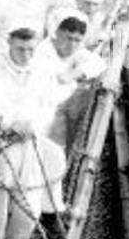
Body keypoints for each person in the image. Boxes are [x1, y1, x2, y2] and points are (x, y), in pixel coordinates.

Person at [0, 24, 65, 239]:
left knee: (29, 210)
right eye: (20, 48)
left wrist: (33, 125)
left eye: (30, 49)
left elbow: (48, 106)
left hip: (29, 147)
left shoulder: (42, 72)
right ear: (10, 44)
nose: (26, 53)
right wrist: (10, 123)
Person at [34, 12, 107, 149]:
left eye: (77, 40)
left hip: (61, 109)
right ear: (57, 33)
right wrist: (71, 83)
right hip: (43, 111)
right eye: (68, 38)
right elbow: (50, 94)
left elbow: (99, 63)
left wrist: (73, 74)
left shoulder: (75, 50)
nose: (72, 44)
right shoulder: (42, 54)